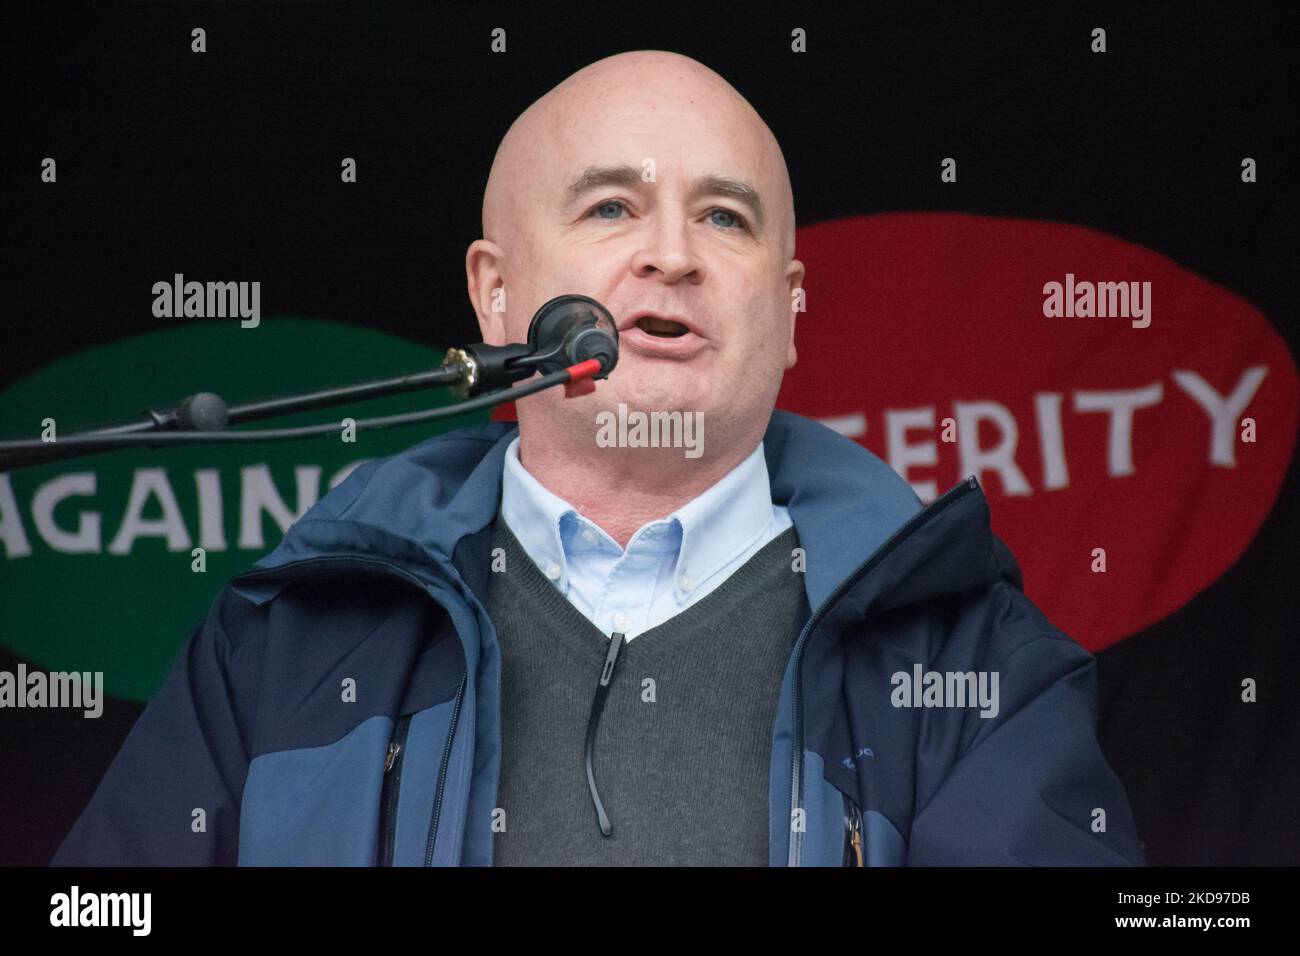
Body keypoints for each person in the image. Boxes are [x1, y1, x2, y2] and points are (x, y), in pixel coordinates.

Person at [52, 50, 1144, 866]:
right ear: (494, 292)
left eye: (724, 218)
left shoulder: (973, 657)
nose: (671, 254)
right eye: (612, 205)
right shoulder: (285, 636)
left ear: (791, 308)